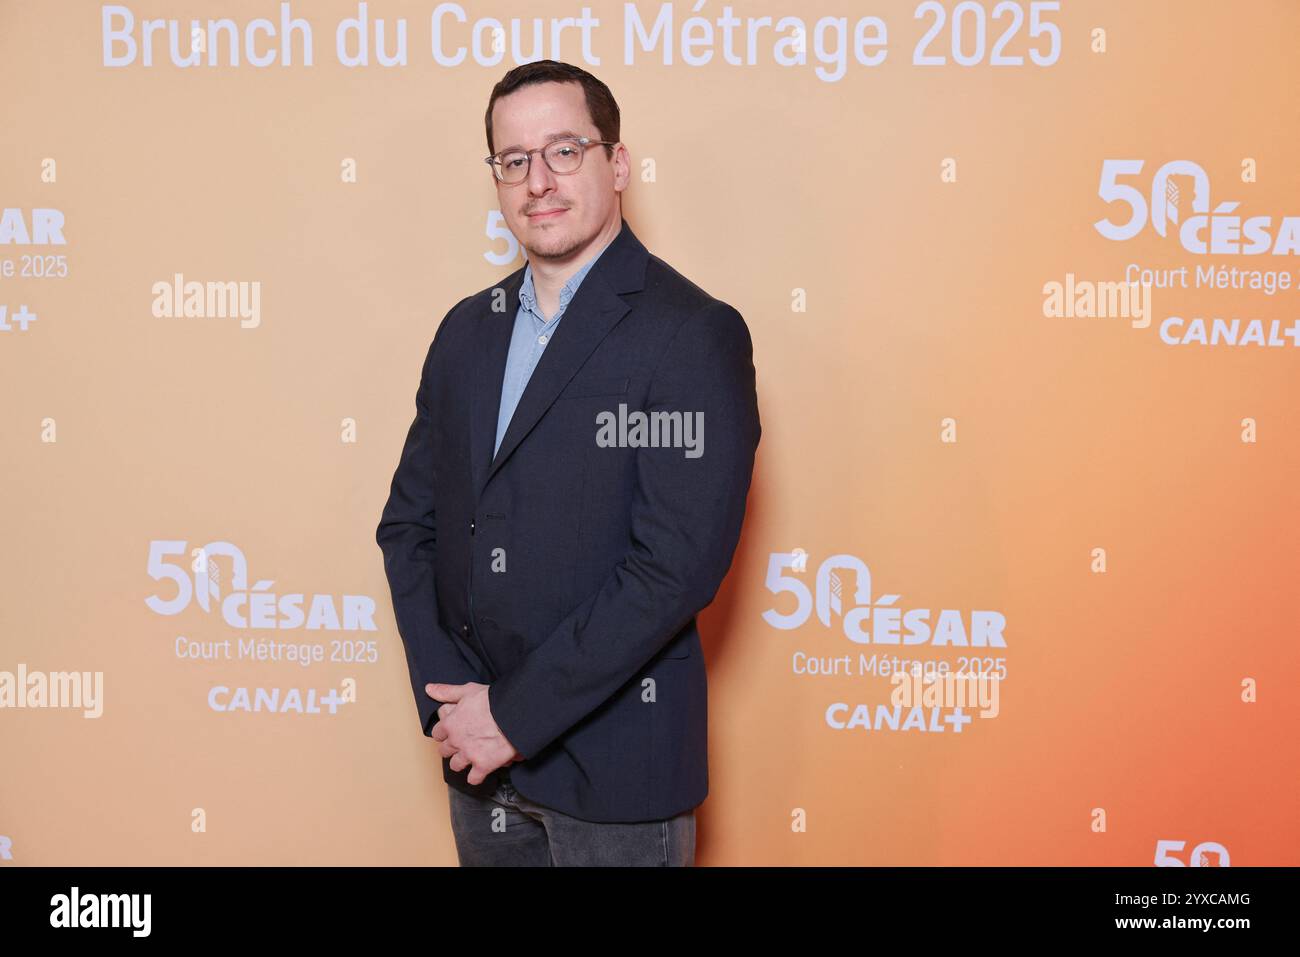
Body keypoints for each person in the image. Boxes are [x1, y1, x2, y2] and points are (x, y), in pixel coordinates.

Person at [375, 59, 761, 866]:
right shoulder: (464, 333)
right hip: (477, 764)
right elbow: (411, 524)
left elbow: (673, 568)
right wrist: (456, 705)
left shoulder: (691, 334)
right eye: (513, 161)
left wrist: (512, 714)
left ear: (615, 164)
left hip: (615, 775)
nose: (537, 181)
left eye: (564, 151)